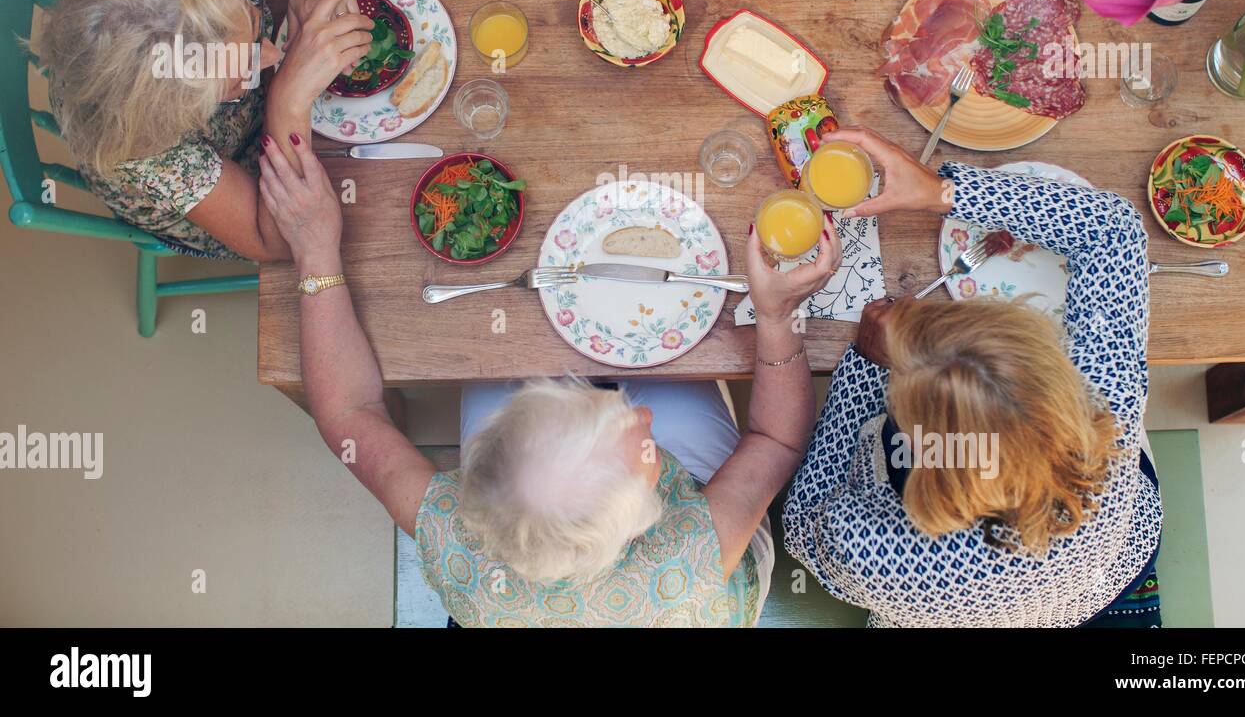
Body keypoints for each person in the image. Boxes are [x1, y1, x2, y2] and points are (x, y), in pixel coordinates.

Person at [256, 133, 843, 626]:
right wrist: (774, 316)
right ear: (646, 515)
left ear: (475, 476)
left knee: (501, 352)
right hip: (711, 566)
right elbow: (776, 440)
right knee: (680, 365)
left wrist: (316, 257)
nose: (641, 414)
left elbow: (347, 415)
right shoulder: (691, 552)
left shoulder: (453, 535)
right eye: (642, 444)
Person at [782, 127, 1163, 627]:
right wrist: (940, 191)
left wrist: (865, 369)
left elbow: (804, 528)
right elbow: (1112, 230)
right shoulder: (1107, 390)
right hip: (1104, 571)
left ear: (926, 458)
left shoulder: (872, 549)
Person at [35, 0, 374, 260]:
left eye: (248, 21)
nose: (272, 55)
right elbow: (281, 241)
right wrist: (286, 100)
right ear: (188, 115)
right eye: (243, 72)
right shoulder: (144, 146)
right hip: (236, 180)